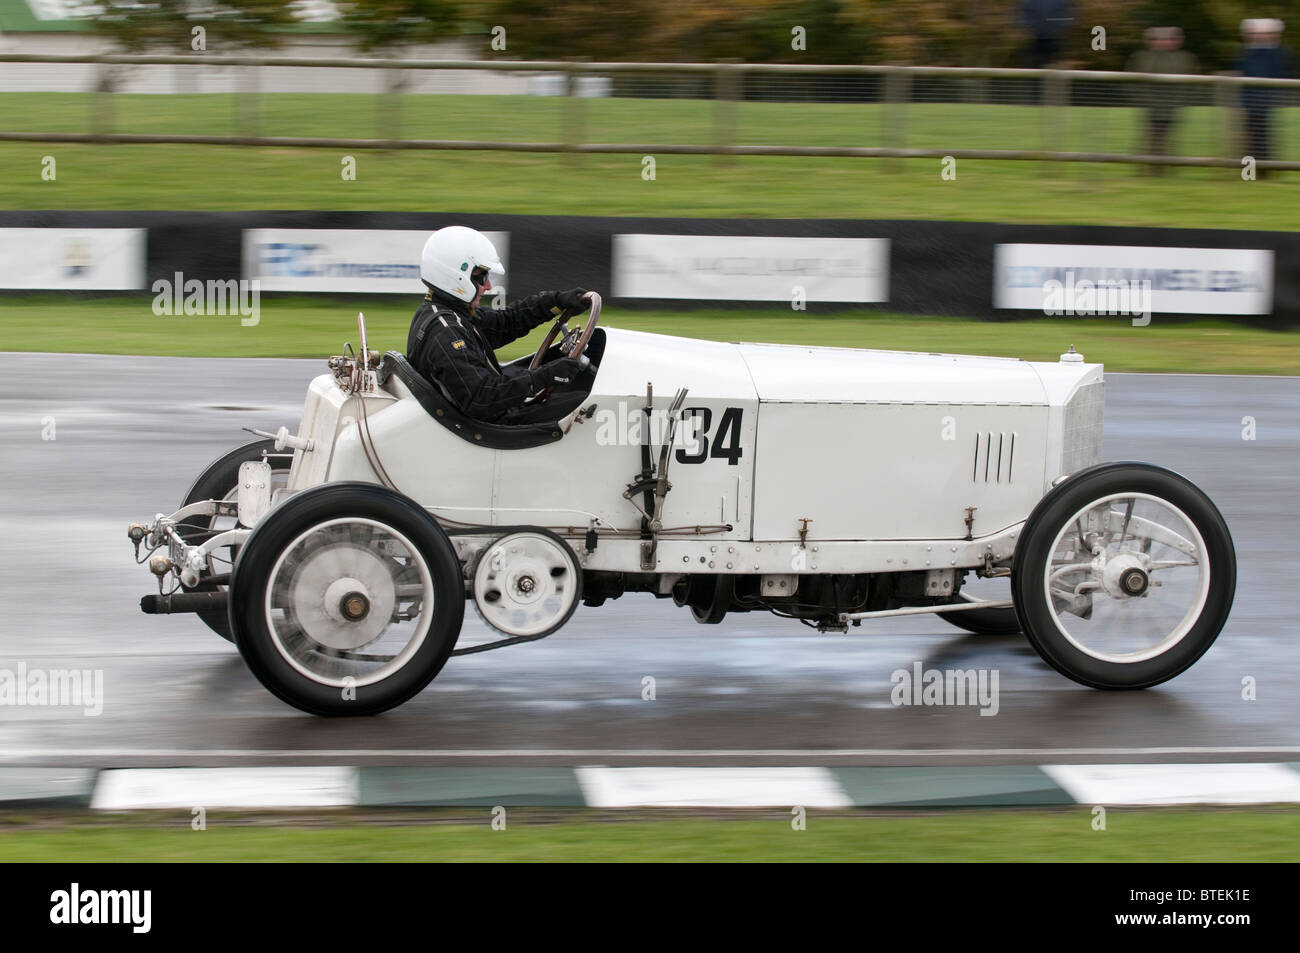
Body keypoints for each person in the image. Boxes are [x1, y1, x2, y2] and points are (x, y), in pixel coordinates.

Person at [406, 226, 595, 425]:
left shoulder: (449, 314)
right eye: (481, 278)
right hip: (487, 427)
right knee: (592, 408)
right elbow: (482, 398)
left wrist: (557, 301)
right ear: (456, 275)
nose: (488, 286)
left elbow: (507, 322)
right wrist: (544, 376)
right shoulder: (445, 332)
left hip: (486, 416)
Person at [1126, 27, 1198, 174]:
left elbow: (1192, 82)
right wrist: (1142, 99)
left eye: (1168, 39)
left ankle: (1159, 168)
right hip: (1152, 106)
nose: (1163, 42)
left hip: (1171, 105)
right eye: (1158, 40)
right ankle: (1152, 168)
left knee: (1163, 137)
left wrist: (1182, 100)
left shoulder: (1184, 58)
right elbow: (1132, 80)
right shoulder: (1142, 57)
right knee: (1152, 137)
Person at [1238, 18, 1292, 177]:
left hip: (1265, 102)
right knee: (1251, 139)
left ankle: (1262, 172)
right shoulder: (1247, 52)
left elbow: (1280, 75)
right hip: (1251, 102)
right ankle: (1251, 173)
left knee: (1263, 139)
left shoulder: (1276, 53)